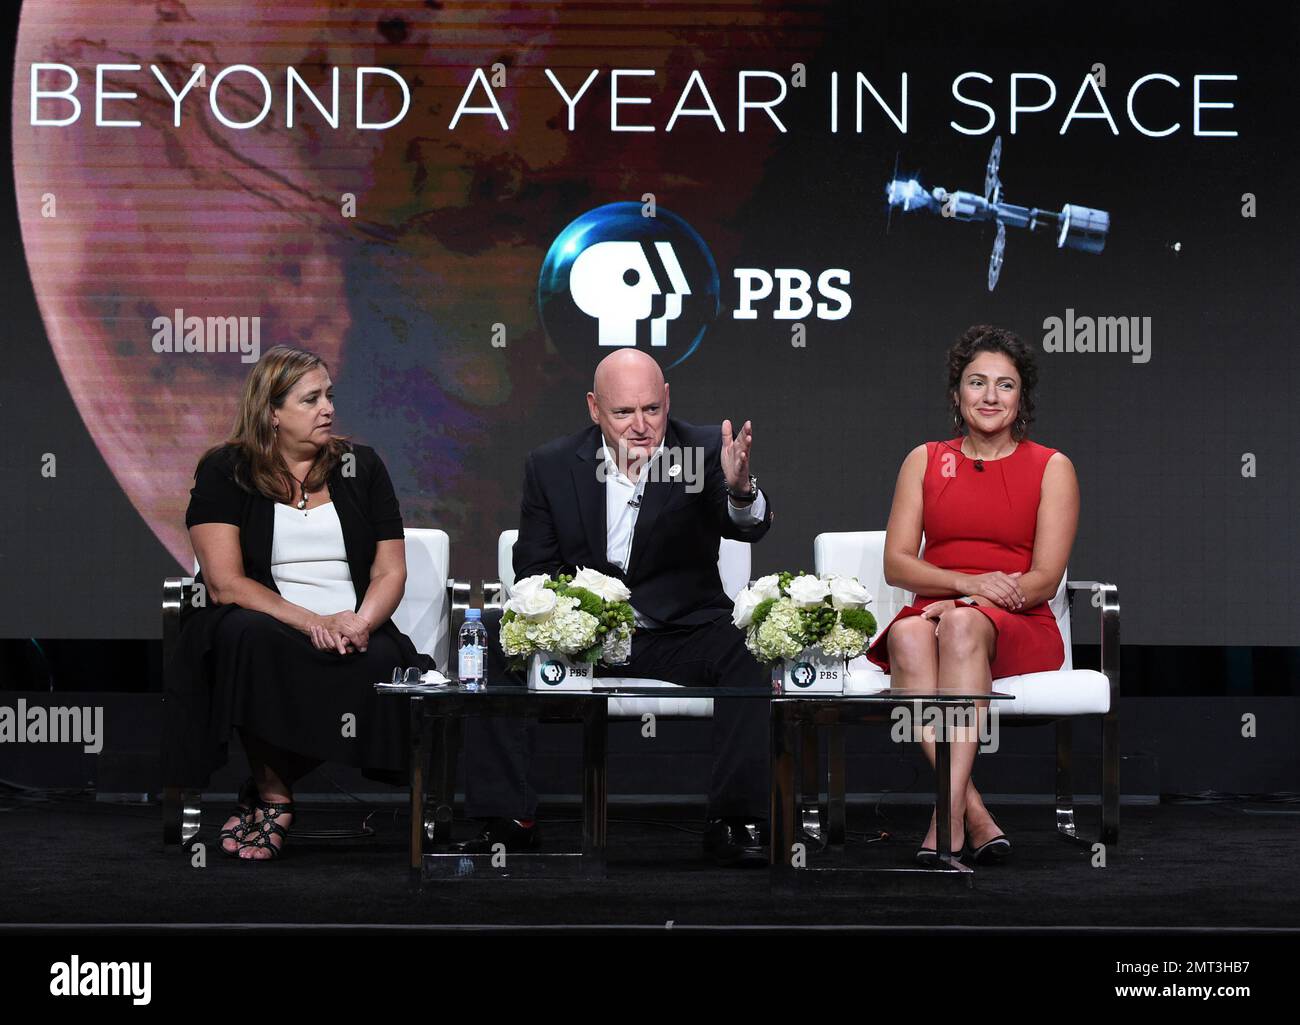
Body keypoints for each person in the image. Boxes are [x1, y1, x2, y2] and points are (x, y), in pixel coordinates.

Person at [461, 349, 776, 866]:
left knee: (749, 644)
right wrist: (583, 611)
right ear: (593, 408)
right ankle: (507, 819)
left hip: (679, 631)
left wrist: (742, 491)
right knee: (495, 637)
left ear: (667, 400)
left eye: (652, 410)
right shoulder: (553, 464)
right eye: (624, 413)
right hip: (585, 635)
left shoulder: (694, 453)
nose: (641, 427)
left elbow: (745, 523)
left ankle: (736, 821)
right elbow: (534, 570)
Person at [164, 346, 435, 861]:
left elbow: (389, 570)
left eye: (329, 395)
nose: (328, 409)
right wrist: (315, 623)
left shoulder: (361, 466)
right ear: (272, 412)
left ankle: (268, 785)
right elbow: (225, 583)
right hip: (263, 616)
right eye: (311, 400)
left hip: (352, 620)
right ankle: (274, 795)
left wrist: (359, 622)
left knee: (381, 659)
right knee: (250, 640)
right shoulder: (226, 470)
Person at [866, 325, 1079, 865]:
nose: (989, 396)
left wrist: (973, 605)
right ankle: (970, 811)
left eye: (1004, 385)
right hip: (935, 608)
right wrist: (964, 586)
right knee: (909, 637)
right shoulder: (925, 459)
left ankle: (946, 815)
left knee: (959, 626)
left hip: (1017, 620)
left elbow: (1045, 579)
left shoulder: (1051, 467)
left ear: (1022, 397)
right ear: (957, 393)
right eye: (976, 382)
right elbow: (897, 564)